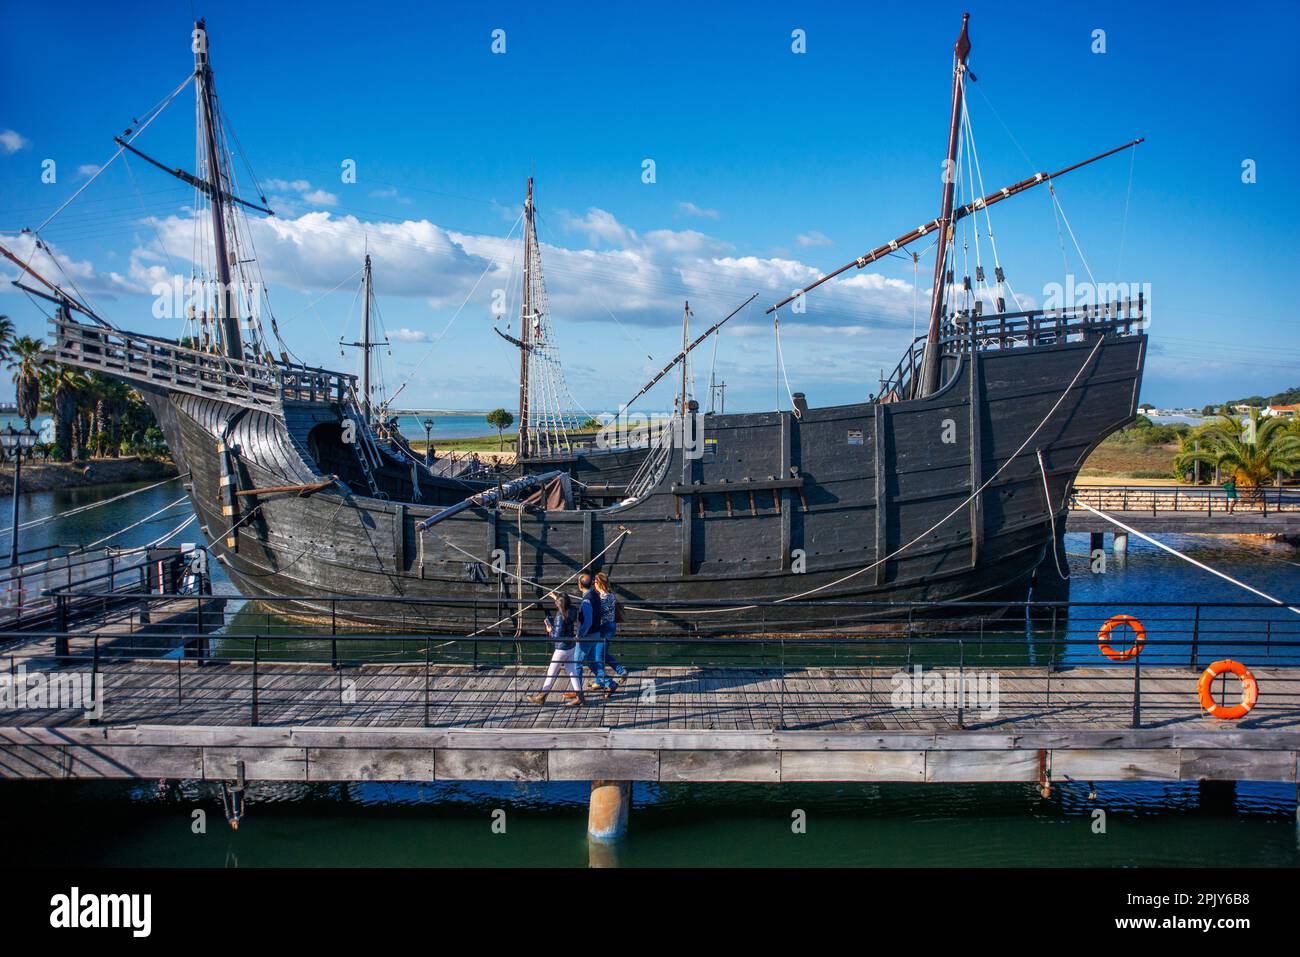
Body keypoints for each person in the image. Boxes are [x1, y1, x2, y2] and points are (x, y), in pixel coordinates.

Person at [524, 592, 584, 707]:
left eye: (556, 603)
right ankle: (580, 697)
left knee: (551, 673)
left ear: (559, 605)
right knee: (572, 672)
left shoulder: (559, 617)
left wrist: (550, 630)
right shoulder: (572, 610)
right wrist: (556, 596)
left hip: (561, 649)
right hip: (571, 646)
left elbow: (557, 637)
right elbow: (564, 603)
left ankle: (541, 697)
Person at [574, 573, 615, 695]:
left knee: (576, 664)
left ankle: (578, 693)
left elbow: (587, 622)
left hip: (588, 635)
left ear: (580, 585)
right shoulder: (596, 595)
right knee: (592, 663)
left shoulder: (587, 599)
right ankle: (610, 683)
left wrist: (580, 635)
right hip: (596, 633)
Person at [592, 571, 627, 685]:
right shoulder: (611, 595)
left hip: (604, 628)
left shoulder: (603, 598)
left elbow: (599, 614)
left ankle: (604, 681)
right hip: (610, 626)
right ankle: (620, 672)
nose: (594, 584)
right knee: (603, 654)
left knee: (597, 656)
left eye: (595, 582)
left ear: (600, 583)